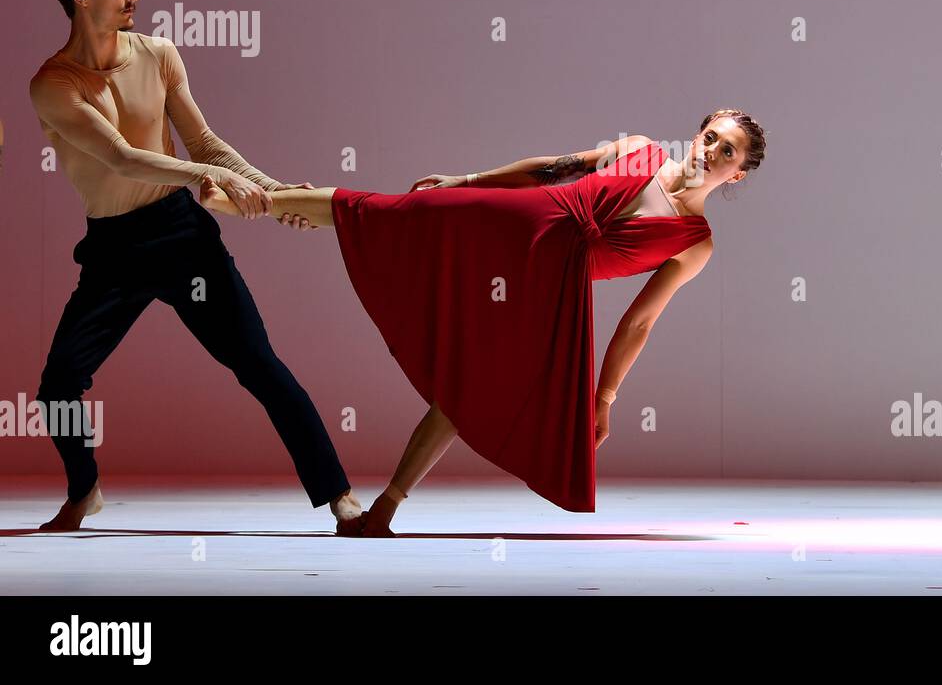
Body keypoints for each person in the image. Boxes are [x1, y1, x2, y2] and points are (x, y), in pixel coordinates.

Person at [200, 111, 767, 535]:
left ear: (736, 176)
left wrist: (604, 397)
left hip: (549, 297)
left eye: (727, 152)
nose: (711, 150)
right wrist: (469, 181)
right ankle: (265, 200)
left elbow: (639, 323)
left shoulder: (695, 244)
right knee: (400, 212)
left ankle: (385, 510)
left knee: (470, 388)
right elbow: (551, 169)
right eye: (711, 137)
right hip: (523, 221)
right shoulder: (639, 149)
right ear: (696, 136)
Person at [27, 0, 363, 532]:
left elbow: (204, 143)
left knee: (258, 363)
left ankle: (339, 497)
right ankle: (85, 491)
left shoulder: (158, 54)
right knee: (58, 386)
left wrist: (273, 191)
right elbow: (123, 158)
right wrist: (215, 177)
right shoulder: (54, 84)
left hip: (181, 238)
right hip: (114, 250)